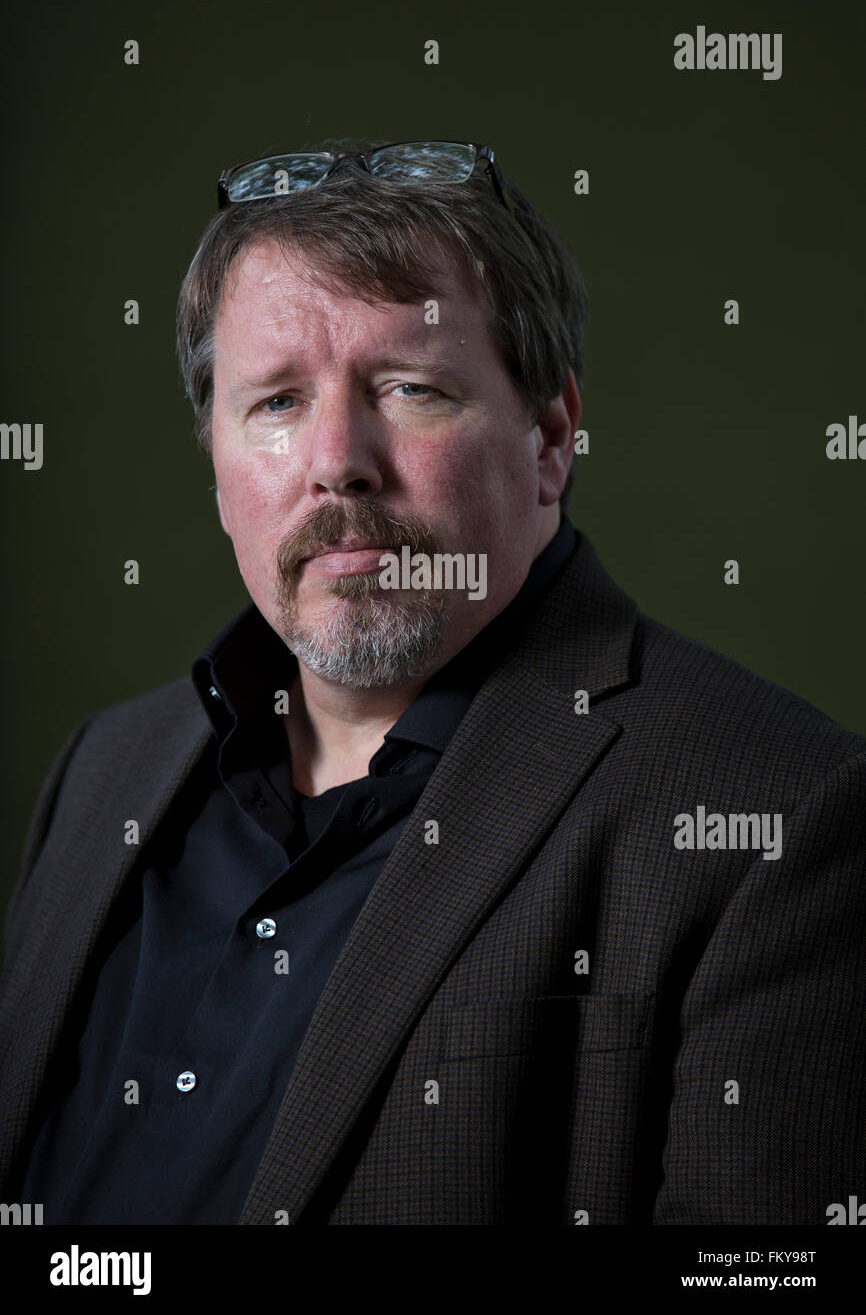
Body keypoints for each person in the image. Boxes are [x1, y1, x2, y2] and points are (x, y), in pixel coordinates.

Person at [1, 140, 863, 1226]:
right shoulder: (104, 775)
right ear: (217, 467)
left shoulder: (771, 815)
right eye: (273, 402)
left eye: (408, 388)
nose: (336, 459)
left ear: (548, 438)